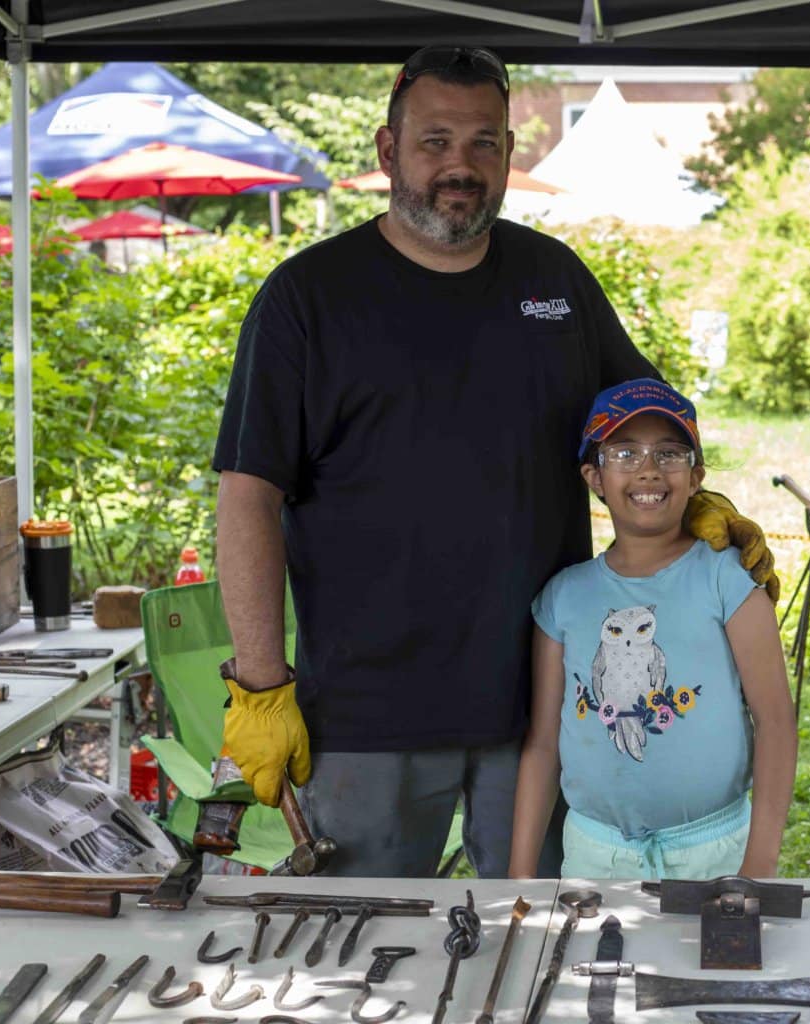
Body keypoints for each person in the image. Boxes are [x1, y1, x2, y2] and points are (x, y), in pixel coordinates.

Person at [211, 44, 776, 878]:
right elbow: (249, 493)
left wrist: (698, 509)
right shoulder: (308, 298)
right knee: (368, 951)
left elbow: (645, 433)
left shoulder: (555, 281)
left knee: (548, 941)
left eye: (483, 142)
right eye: (435, 141)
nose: (460, 166)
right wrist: (260, 682)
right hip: (371, 714)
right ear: (386, 150)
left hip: (544, 703)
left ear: (510, 152)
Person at [509, 379, 797, 880]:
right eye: (623, 452)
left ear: (696, 476)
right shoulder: (564, 597)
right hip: (596, 854)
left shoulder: (728, 578)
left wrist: (758, 870)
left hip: (717, 852)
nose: (647, 469)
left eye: (669, 453)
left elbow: (775, 723)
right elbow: (543, 744)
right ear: (594, 477)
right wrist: (519, 876)